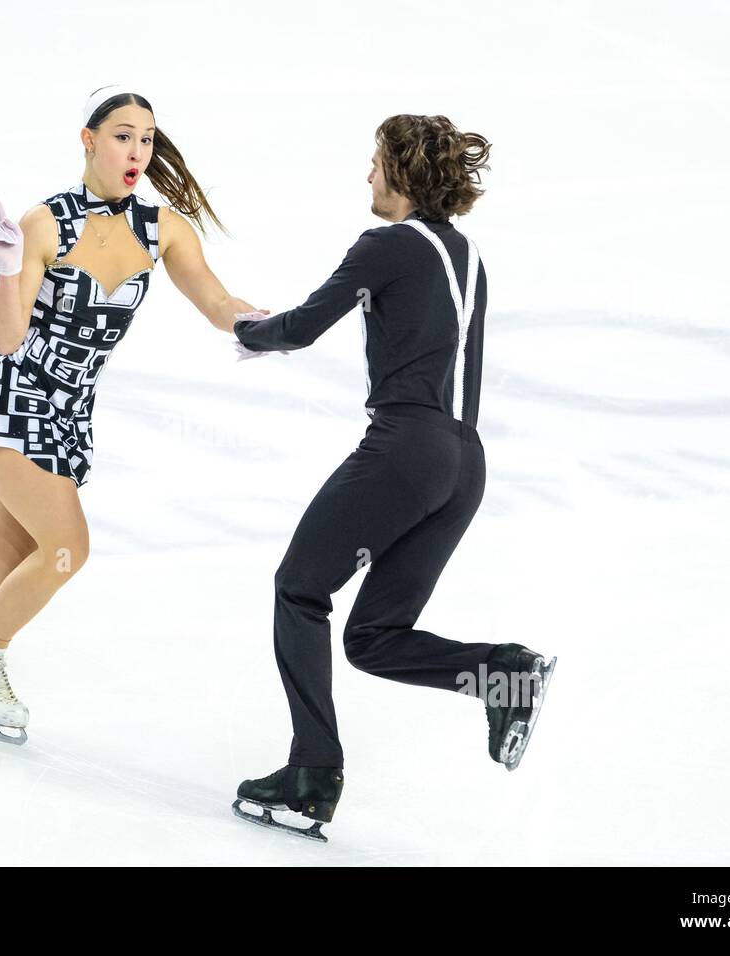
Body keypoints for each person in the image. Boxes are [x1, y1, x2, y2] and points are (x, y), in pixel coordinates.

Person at [0, 85, 264, 743]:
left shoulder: (162, 228)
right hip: (12, 396)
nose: (136, 151)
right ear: (88, 141)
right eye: (122, 135)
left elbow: (216, 300)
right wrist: (8, 270)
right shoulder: (44, 223)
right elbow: (6, 340)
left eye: (146, 139)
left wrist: (268, 326)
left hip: (69, 414)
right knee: (67, 551)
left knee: (13, 573)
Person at [229, 114, 557, 841]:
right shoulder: (466, 255)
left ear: (403, 173)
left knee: (299, 587)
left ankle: (312, 774)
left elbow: (308, 323)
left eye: (376, 163)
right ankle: (503, 672)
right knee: (373, 636)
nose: (368, 176)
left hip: (407, 446)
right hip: (464, 462)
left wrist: (248, 328)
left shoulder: (388, 244)